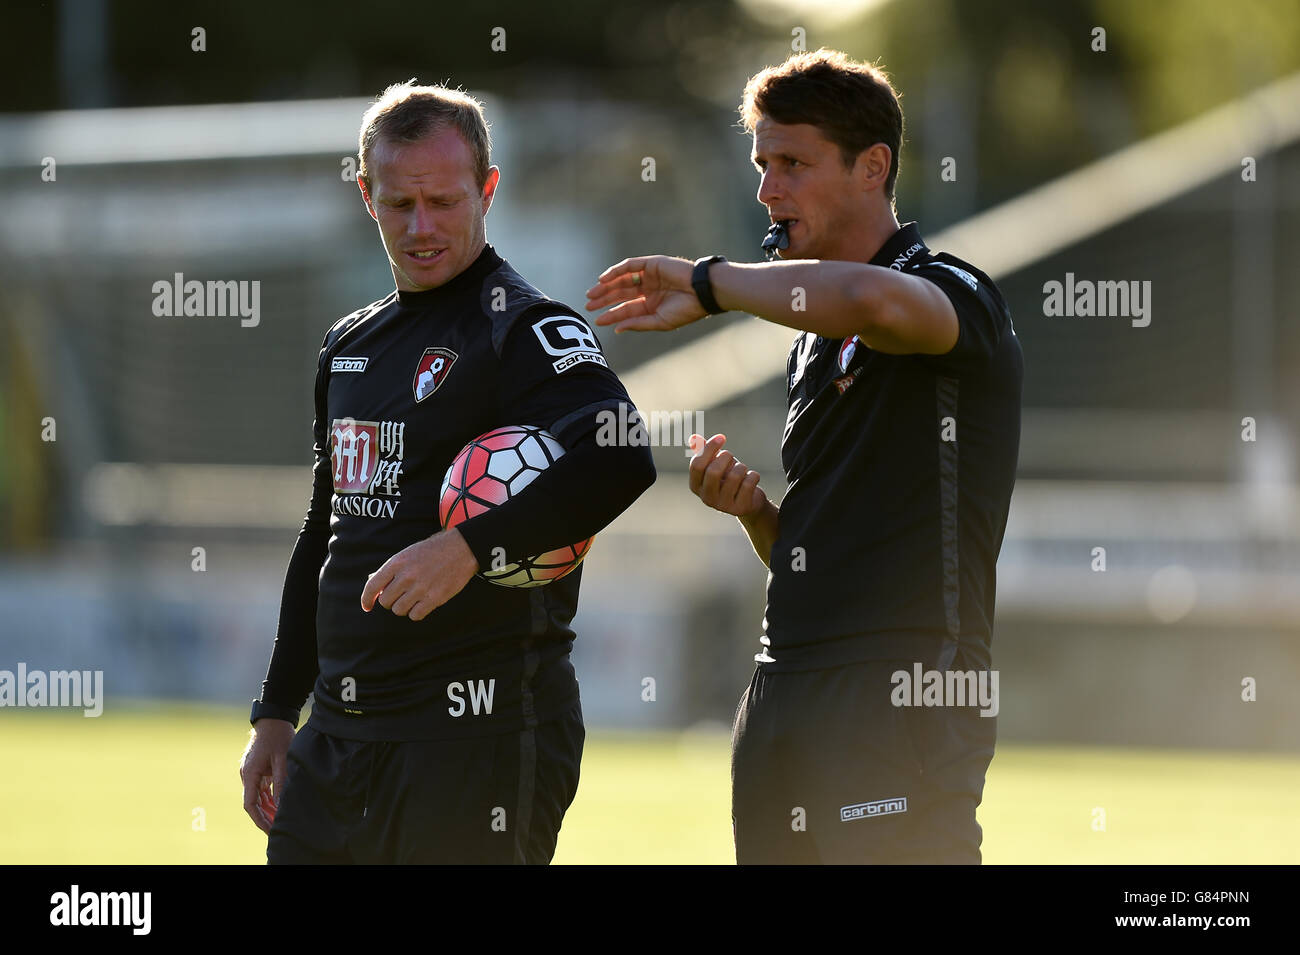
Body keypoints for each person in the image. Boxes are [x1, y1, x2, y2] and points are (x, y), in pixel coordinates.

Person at [585, 49, 1022, 864]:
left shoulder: (952, 289)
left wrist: (712, 283)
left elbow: (870, 296)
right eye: (761, 164)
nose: (767, 190)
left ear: (873, 168)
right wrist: (756, 513)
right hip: (786, 677)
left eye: (792, 163)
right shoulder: (814, 341)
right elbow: (814, 551)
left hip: (904, 682)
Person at [238, 80, 656, 864]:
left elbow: (622, 454)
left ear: (488, 190)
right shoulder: (348, 347)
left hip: (478, 739)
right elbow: (325, 532)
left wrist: (467, 548)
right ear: (367, 195)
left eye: (444, 200)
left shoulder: (525, 328)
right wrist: (275, 709)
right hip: (338, 736)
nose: (421, 226)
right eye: (399, 204)